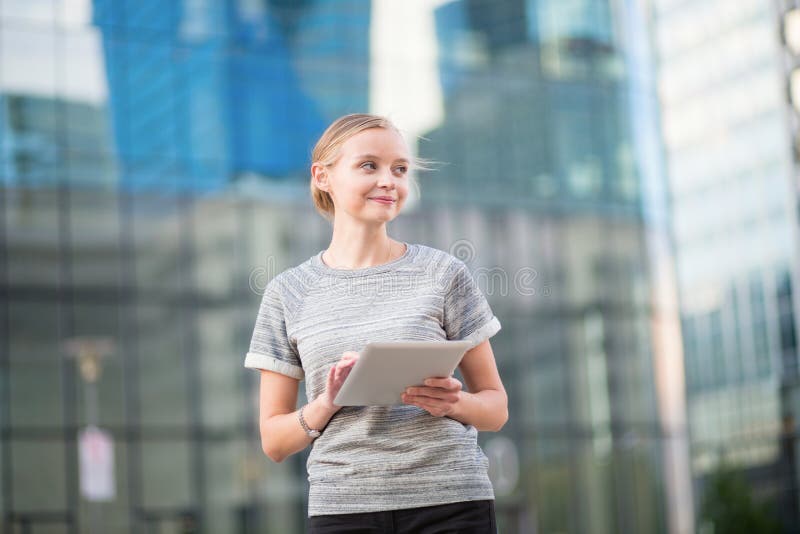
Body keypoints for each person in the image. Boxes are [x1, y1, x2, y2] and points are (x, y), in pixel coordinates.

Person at [244, 113, 507, 533]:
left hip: (452, 503)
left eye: (400, 169)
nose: (389, 180)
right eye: (370, 165)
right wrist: (327, 402)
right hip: (344, 510)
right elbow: (274, 441)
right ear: (323, 176)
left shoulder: (443, 273)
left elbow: (495, 408)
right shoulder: (287, 292)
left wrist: (453, 403)